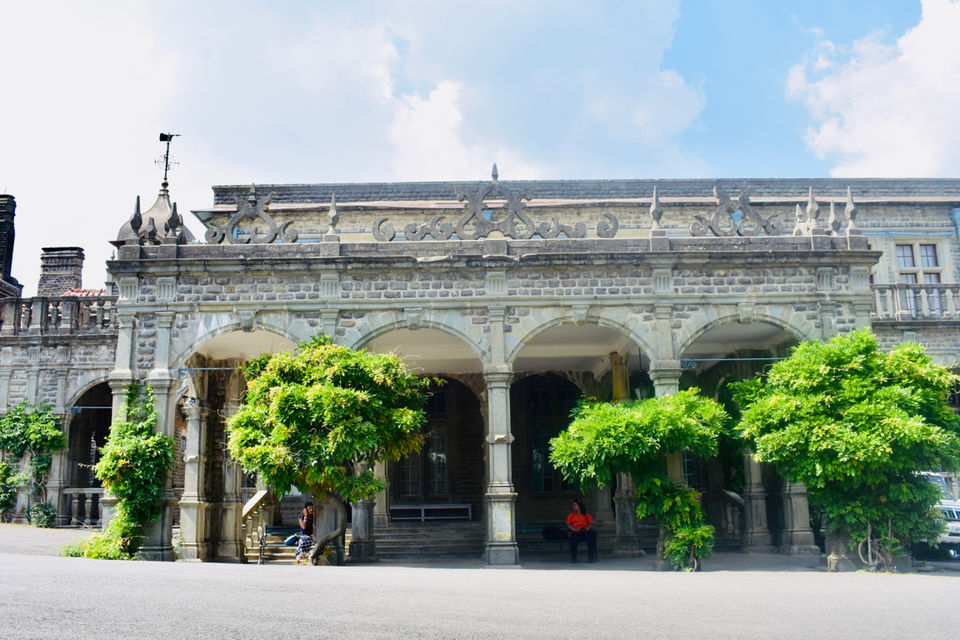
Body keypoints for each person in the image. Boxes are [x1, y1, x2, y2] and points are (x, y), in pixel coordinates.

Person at [566, 498, 597, 563]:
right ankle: (574, 558)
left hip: (584, 531)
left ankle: (590, 558)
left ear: (579, 506)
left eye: (575, 505)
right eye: (573, 505)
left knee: (591, 535)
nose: (573, 507)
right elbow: (569, 524)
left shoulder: (586, 514)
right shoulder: (571, 515)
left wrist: (588, 527)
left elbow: (591, 523)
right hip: (576, 531)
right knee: (573, 538)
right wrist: (574, 529)